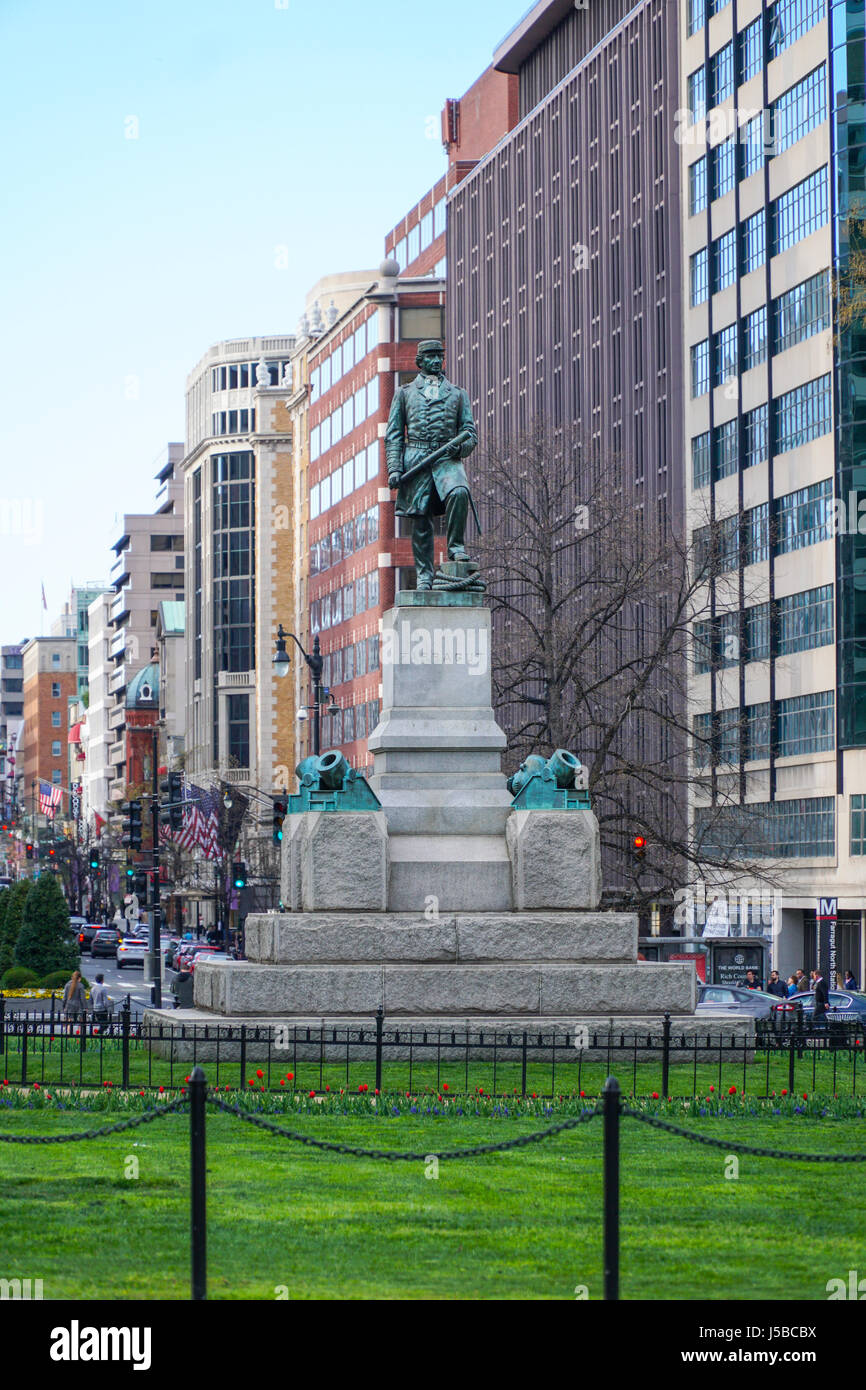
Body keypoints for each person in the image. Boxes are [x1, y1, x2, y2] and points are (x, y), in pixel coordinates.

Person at [386, 339, 479, 591]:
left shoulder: (458, 394)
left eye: (439, 356)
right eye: (430, 357)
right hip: (416, 458)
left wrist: (460, 447)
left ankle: (456, 547)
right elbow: (393, 435)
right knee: (420, 518)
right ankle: (424, 575)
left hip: (447, 458)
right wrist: (395, 468)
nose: (436, 361)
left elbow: (470, 433)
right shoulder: (404, 394)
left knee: (459, 492)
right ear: (420, 362)